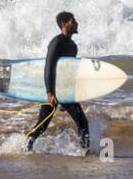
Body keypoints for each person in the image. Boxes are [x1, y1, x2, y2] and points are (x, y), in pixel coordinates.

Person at [27, 11, 91, 152]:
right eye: (73, 21)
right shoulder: (57, 42)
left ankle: (85, 152)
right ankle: (27, 146)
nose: (76, 23)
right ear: (64, 24)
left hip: (64, 91)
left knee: (82, 123)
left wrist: (68, 95)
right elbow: (49, 66)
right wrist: (50, 92)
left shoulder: (73, 46)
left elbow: (68, 72)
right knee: (43, 125)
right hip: (52, 90)